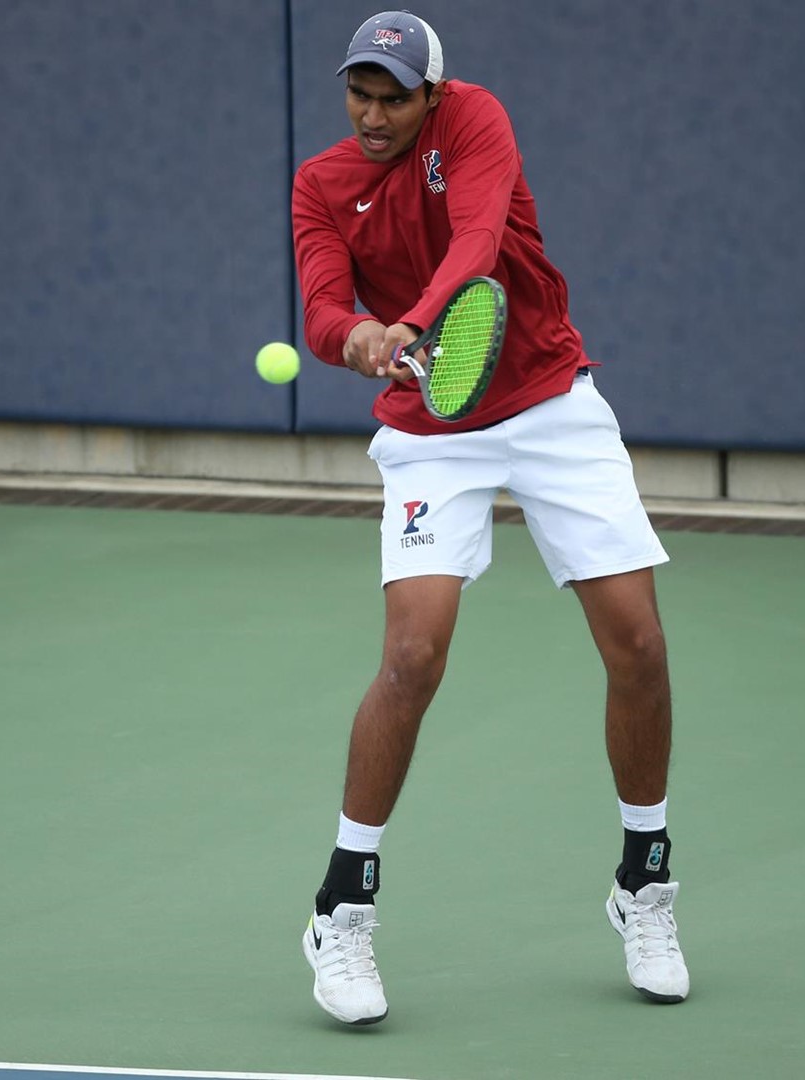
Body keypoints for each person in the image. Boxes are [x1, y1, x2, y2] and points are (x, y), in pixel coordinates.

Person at [292, 11, 689, 1026]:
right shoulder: (322, 185)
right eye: (359, 95)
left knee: (638, 643)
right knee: (413, 656)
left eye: (393, 98)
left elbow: (474, 235)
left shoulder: (475, 123)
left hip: (551, 400)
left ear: (431, 94)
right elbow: (324, 310)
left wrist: (418, 321)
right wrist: (363, 339)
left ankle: (645, 881)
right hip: (433, 430)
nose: (373, 116)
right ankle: (342, 905)